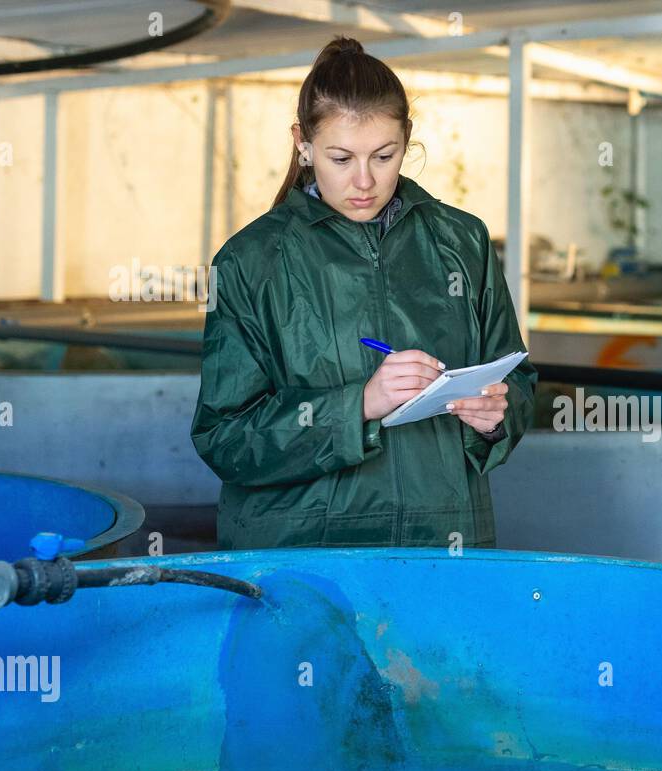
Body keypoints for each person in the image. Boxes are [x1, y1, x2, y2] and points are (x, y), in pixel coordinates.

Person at [191, 35, 537, 551]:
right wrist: (360, 405)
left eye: (384, 155)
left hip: (442, 540)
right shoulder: (251, 261)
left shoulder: (462, 241)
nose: (364, 180)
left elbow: (518, 378)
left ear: (407, 140)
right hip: (304, 549)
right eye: (340, 157)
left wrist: (494, 418)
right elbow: (225, 437)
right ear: (302, 144)